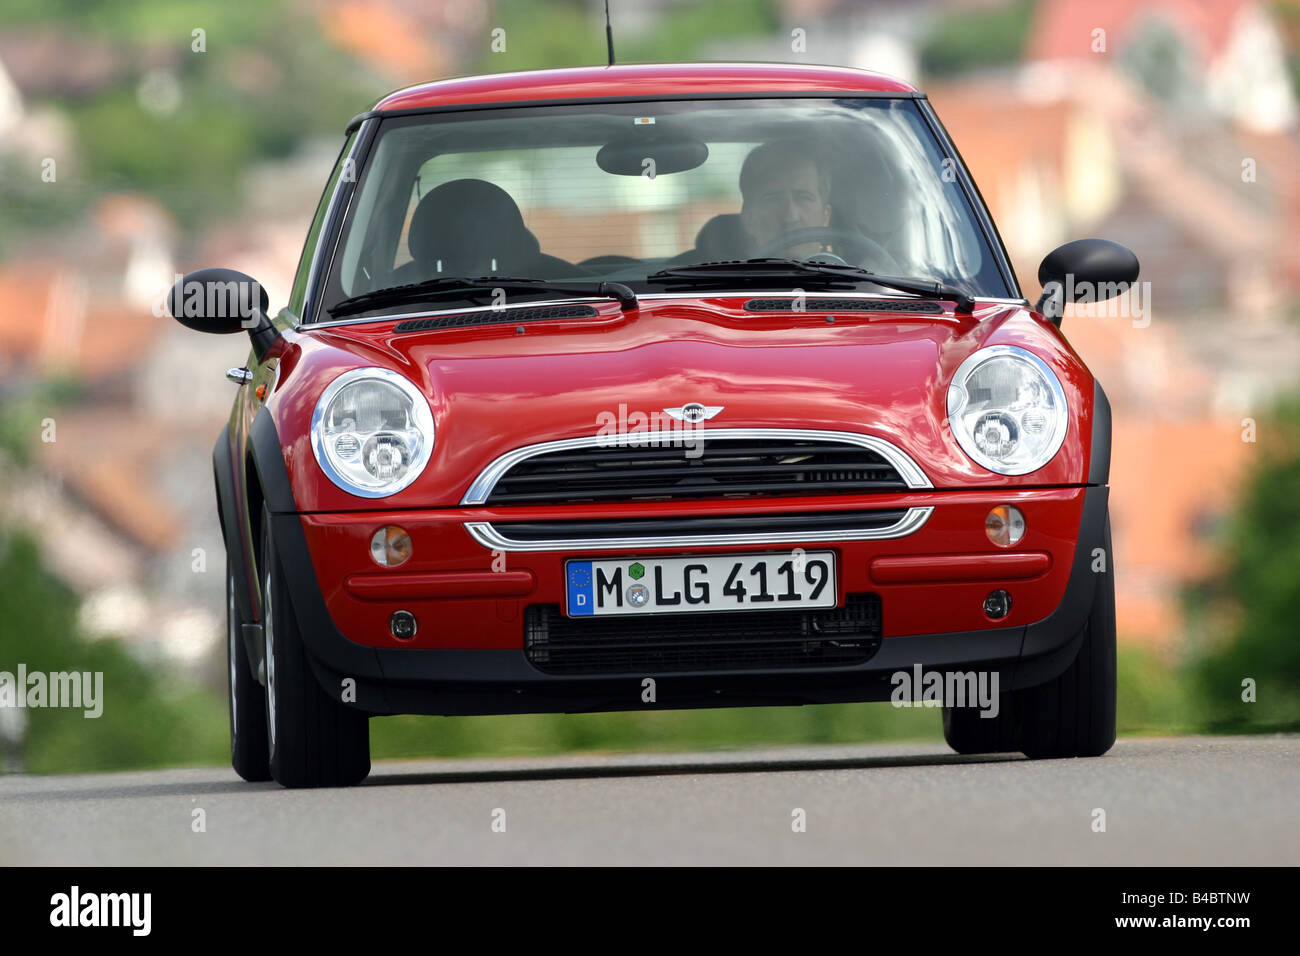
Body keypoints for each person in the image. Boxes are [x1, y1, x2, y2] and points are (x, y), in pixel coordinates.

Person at [738, 139, 834, 259]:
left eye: (803, 198)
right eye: (773, 199)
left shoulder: (855, 275)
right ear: (748, 219)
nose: (790, 217)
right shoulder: (723, 277)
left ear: (825, 216)